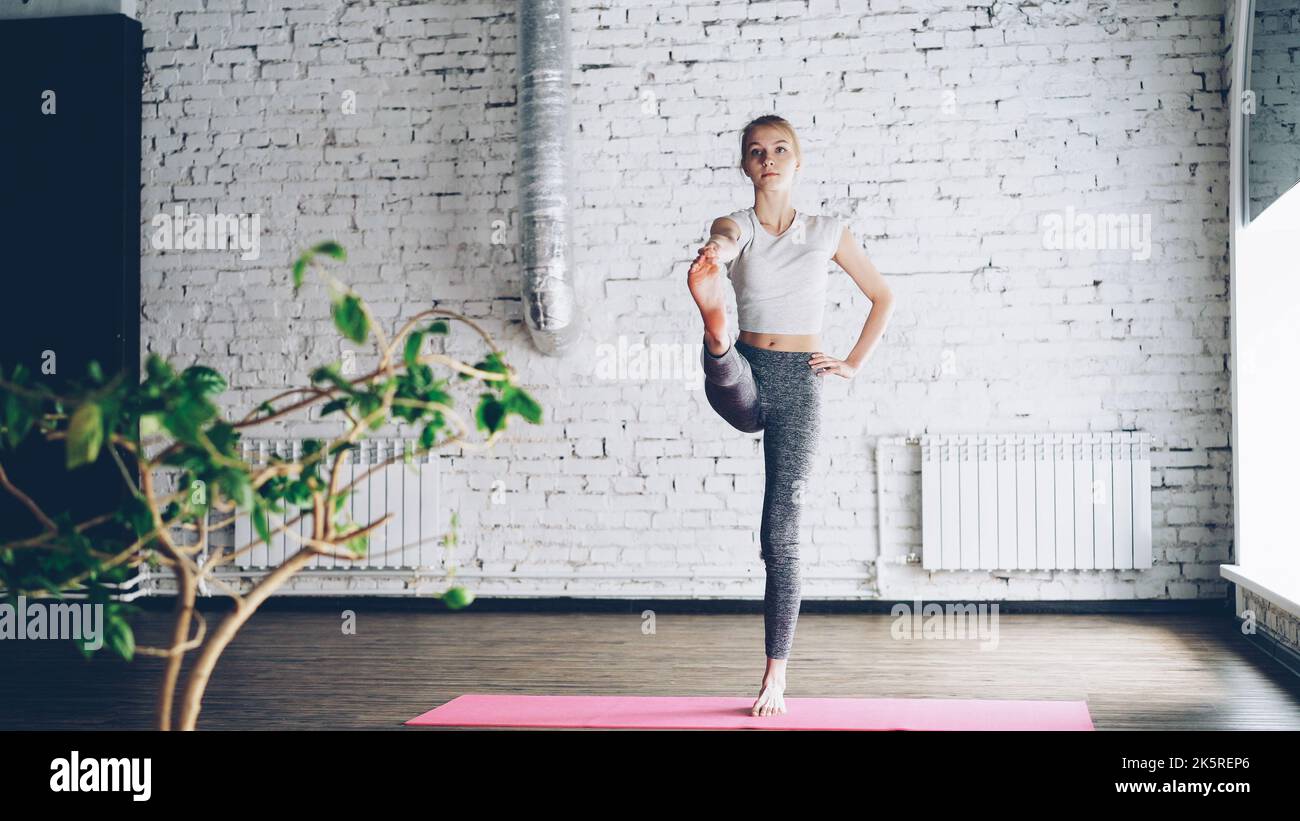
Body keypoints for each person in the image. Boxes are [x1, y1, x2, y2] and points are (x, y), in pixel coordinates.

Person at [687, 115, 895, 717]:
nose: (769, 159)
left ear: (798, 162)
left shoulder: (829, 231)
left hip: (801, 381)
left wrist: (853, 363)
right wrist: (715, 253)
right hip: (749, 372)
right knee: (728, 372)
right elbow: (725, 238)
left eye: (780, 150)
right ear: (746, 166)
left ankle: (775, 674)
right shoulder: (739, 227)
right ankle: (718, 335)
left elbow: (883, 296)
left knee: (781, 529)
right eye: (757, 152)